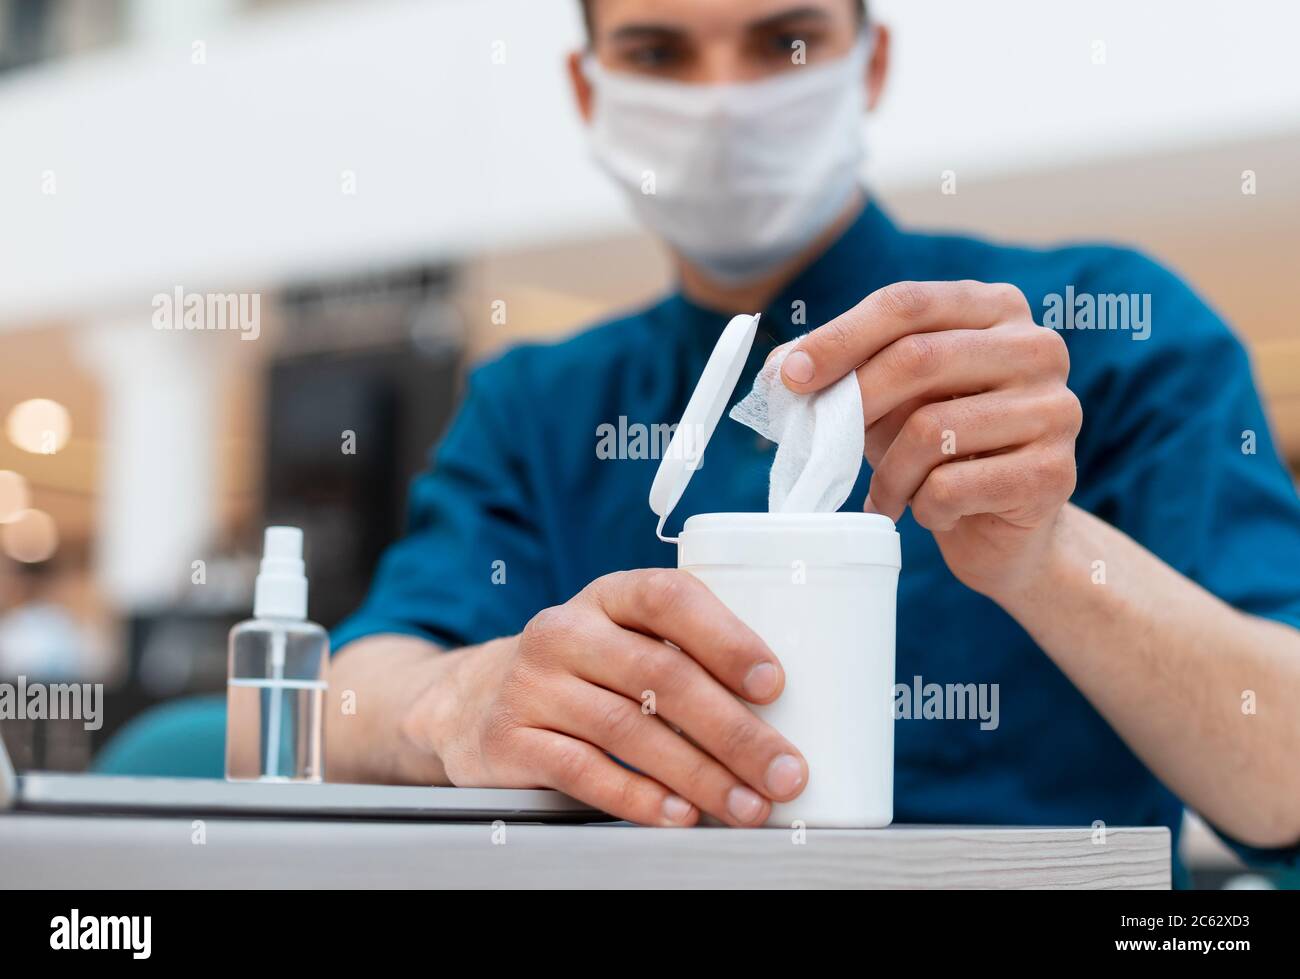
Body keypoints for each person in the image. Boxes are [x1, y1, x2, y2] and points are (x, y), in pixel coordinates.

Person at [327, 0, 1300, 877]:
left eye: (782, 40)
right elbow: (319, 705)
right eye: (658, 50)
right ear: (589, 87)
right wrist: (457, 697)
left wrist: (1046, 552)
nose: (721, 105)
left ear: (868, 61)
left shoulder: (1098, 335)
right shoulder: (534, 404)